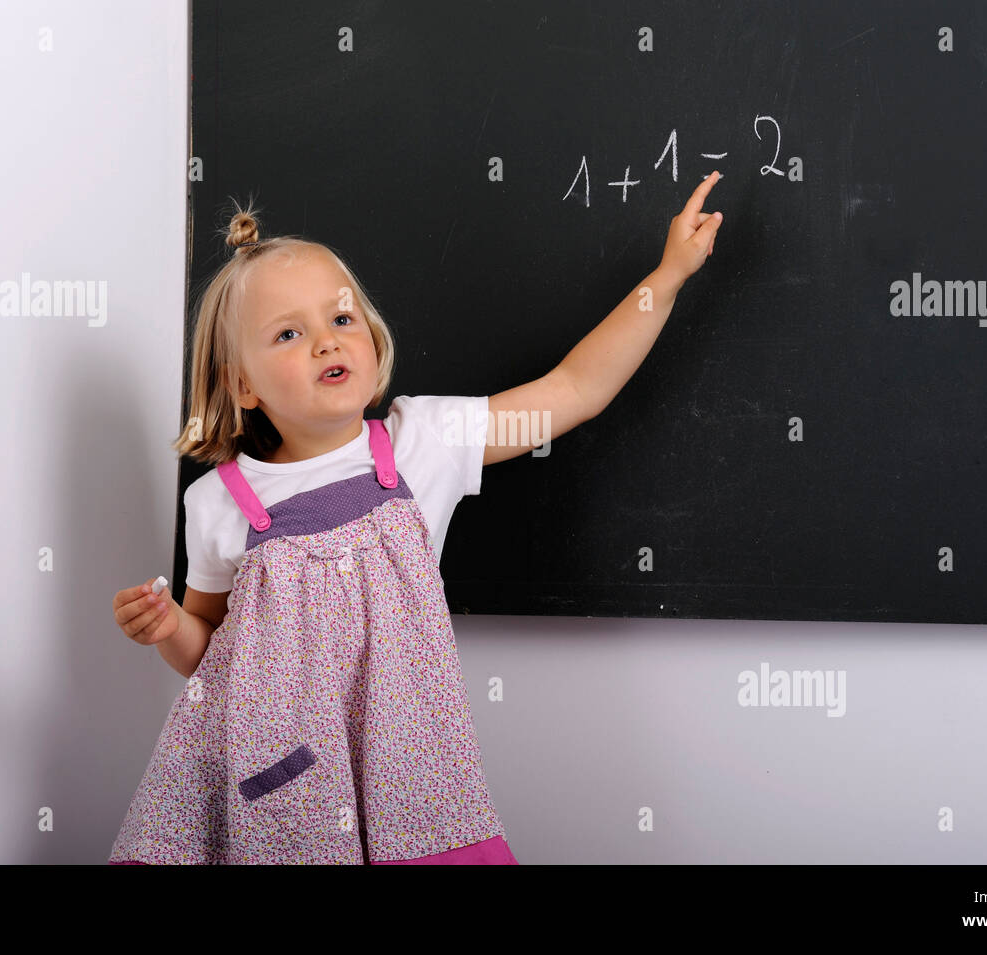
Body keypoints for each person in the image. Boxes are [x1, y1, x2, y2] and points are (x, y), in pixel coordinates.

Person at [109, 175, 723, 864]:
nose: (325, 341)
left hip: (410, 781)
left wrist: (666, 278)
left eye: (341, 319)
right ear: (242, 385)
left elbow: (573, 390)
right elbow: (212, 657)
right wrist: (167, 629)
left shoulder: (421, 443)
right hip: (282, 800)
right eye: (289, 332)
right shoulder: (220, 503)